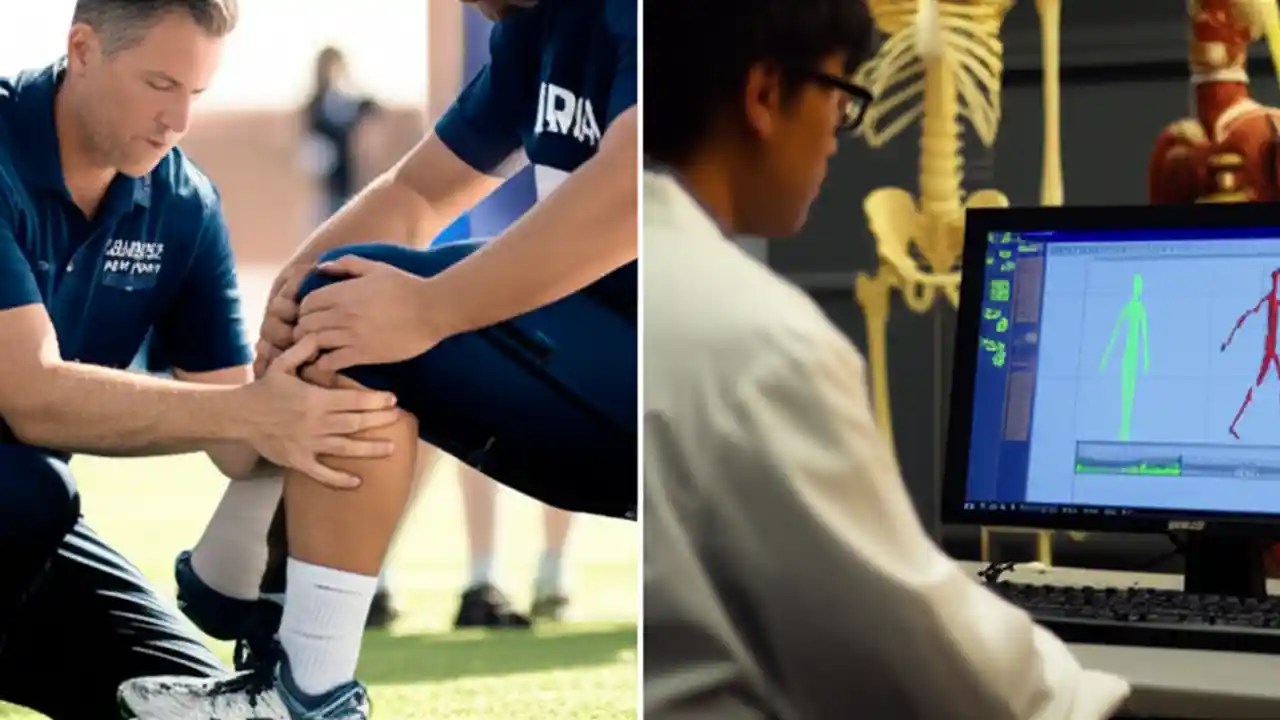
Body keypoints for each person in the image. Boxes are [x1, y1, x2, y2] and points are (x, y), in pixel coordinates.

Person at [118, 0, 637, 716]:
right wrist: (292, 295)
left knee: (366, 301)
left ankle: (297, 675)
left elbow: (633, 188)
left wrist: (428, 309)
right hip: (623, 373)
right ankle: (273, 635)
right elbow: (417, 192)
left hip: (706, 403)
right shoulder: (533, 31)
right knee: (342, 288)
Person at [640, 0, 1132, 718]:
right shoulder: (762, 344)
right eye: (842, 95)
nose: (840, 137)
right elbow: (942, 669)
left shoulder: (662, 289)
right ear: (765, 94)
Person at [0, 1, 405, 718]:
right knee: (31, 490)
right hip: (21, 498)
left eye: (196, 94)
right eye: (160, 85)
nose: (178, 121)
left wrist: (320, 382)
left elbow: (239, 442)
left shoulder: (184, 203)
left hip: (25, 534)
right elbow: (29, 396)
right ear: (84, 49)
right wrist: (255, 413)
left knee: (189, 699)